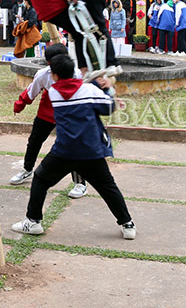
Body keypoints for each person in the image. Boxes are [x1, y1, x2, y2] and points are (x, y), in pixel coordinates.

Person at [11, 53, 135, 240]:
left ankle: (33, 221)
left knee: (40, 179)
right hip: (91, 150)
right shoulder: (89, 91)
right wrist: (108, 89)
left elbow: (72, 91)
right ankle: (128, 225)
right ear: (75, 72)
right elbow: (108, 108)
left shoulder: (53, 93)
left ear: (54, 75)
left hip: (64, 152)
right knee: (108, 186)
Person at [10, 43, 87, 198]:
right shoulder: (43, 74)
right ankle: (27, 169)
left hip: (68, 114)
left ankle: (80, 183)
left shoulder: (77, 74)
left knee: (71, 146)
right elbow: (31, 91)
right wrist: (20, 105)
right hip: (47, 112)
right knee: (34, 141)